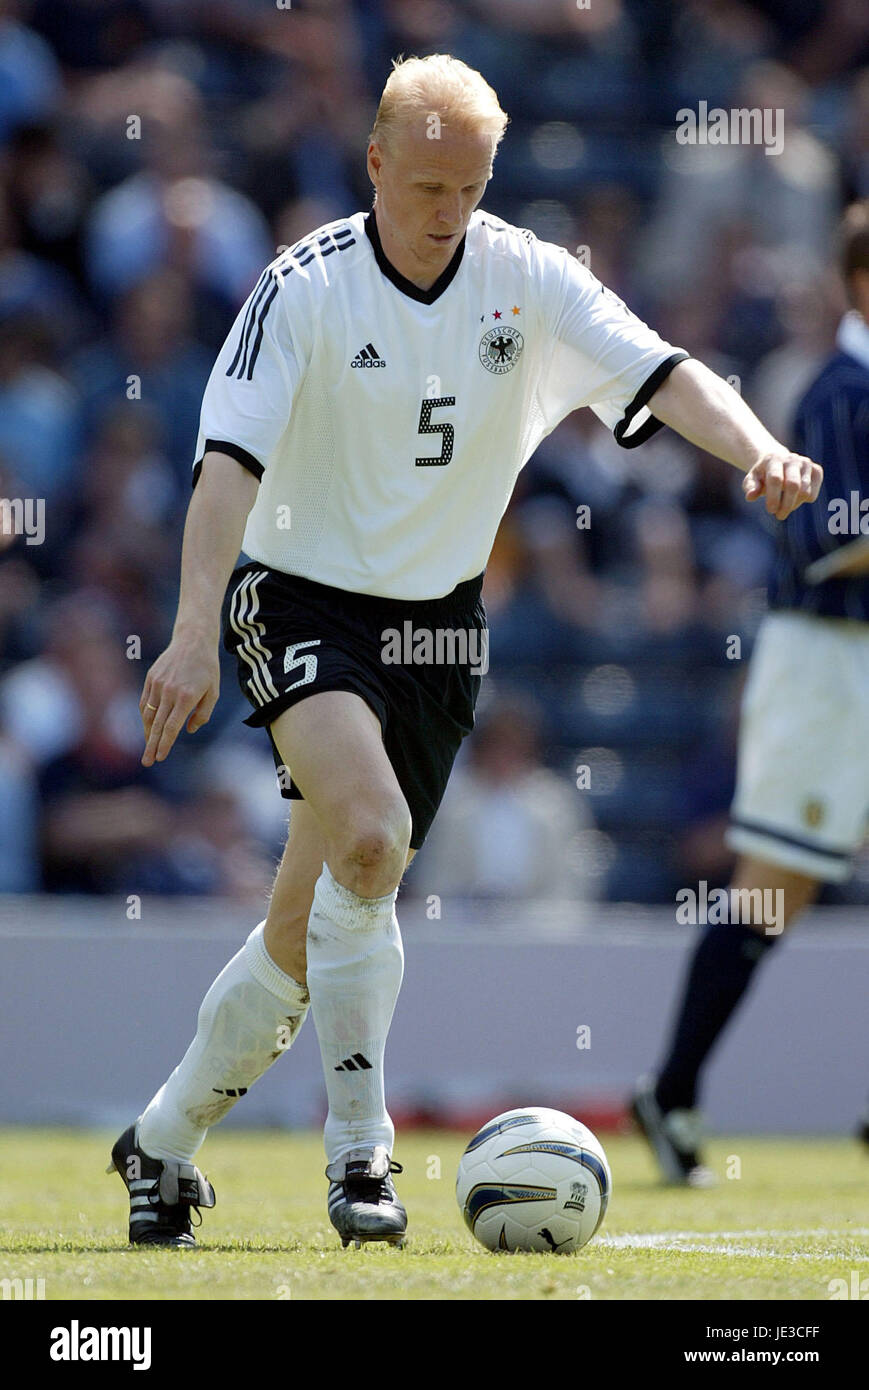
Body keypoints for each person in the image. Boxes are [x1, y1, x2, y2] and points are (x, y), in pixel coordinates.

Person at [107, 53, 822, 1249]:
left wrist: (755, 448)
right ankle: (360, 1154)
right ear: (374, 162)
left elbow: (659, 371)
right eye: (424, 185)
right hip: (297, 599)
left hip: (438, 629)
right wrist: (190, 632)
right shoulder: (303, 288)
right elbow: (223, 466)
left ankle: (163, 1140)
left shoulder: (527, 280)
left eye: (468, 188)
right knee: (375, 840)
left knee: (306, 928)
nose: (445, 213)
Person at [632, 201, 869, 1185]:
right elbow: (831, 543)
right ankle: (672, 1091)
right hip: (826, 660)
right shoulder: (837, 394)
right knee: (773, 889)